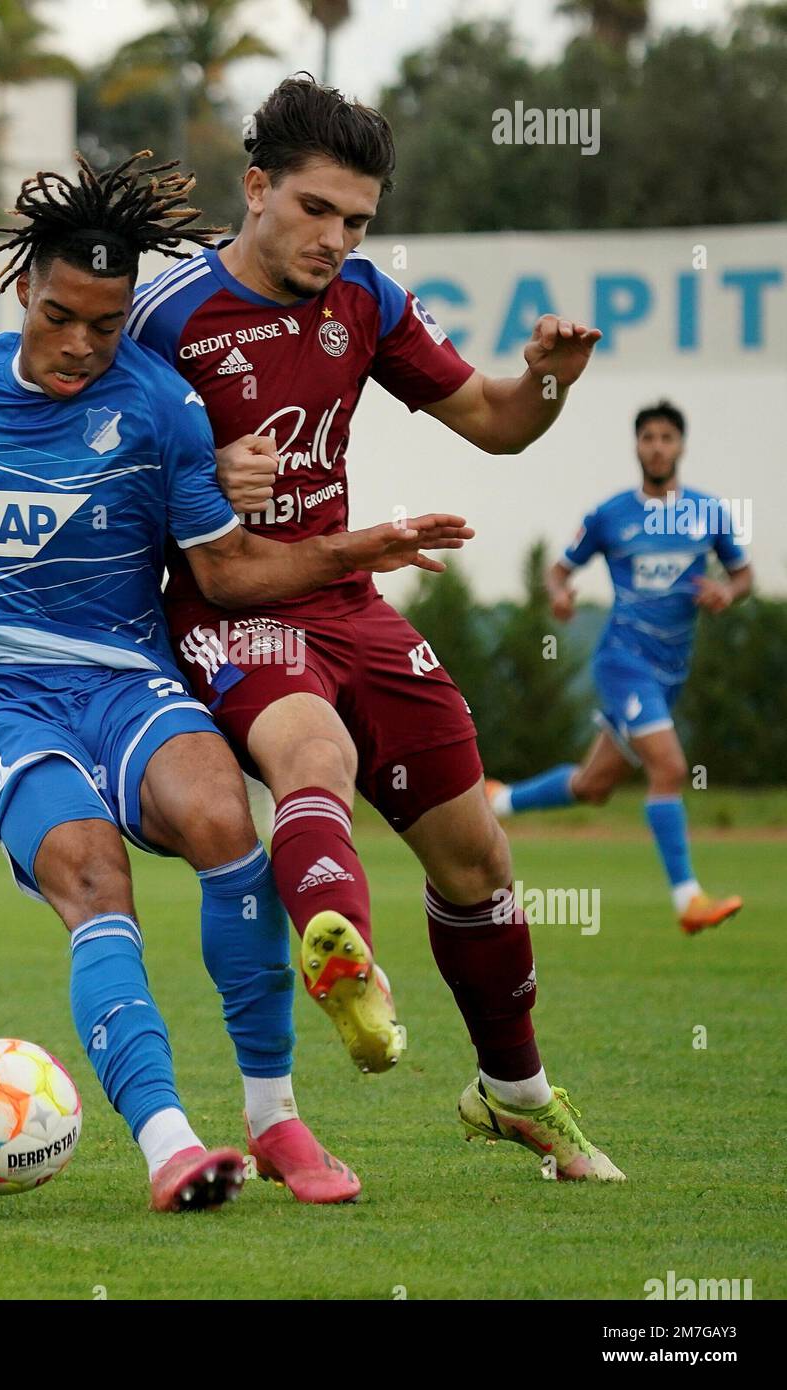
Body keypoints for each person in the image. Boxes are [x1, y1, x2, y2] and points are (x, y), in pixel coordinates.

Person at [0, 151, 469, 1211]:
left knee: (228, 822)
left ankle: (274, 1119)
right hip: (8, 696)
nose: (82, 343)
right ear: (22, 290)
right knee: (92, 878)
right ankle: (172, 1143)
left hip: (133, 682)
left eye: (106, 320)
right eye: (60, 315)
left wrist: (356, 547)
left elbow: (225, 569)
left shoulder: (163, 405)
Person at [130, 76, 623, 1180]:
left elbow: (497, 423)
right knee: (316, 753)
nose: (336, 237)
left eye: (357, 219)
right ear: (255, 188)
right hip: (233, 604)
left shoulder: (366, 301)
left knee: (476, 855)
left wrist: (545, 383)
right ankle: (347, 964)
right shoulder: (167, 320)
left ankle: (514, 1095)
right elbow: (102, 466)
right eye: (315, 209)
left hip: (351, 597)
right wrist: (199, 474)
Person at [486, 399, 752, 935]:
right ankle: (688, 900)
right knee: (671, 769)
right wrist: (560, 597)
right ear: (637, 446)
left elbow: (743, 576)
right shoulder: (610, 515)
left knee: (594, 785)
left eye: (666, 438)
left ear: (681, 446)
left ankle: (498, 801)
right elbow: (557, 573)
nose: (657, 447)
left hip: (671, 672)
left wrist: (728, 592)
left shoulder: (708, 512)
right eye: (648, 437)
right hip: (624, 663)